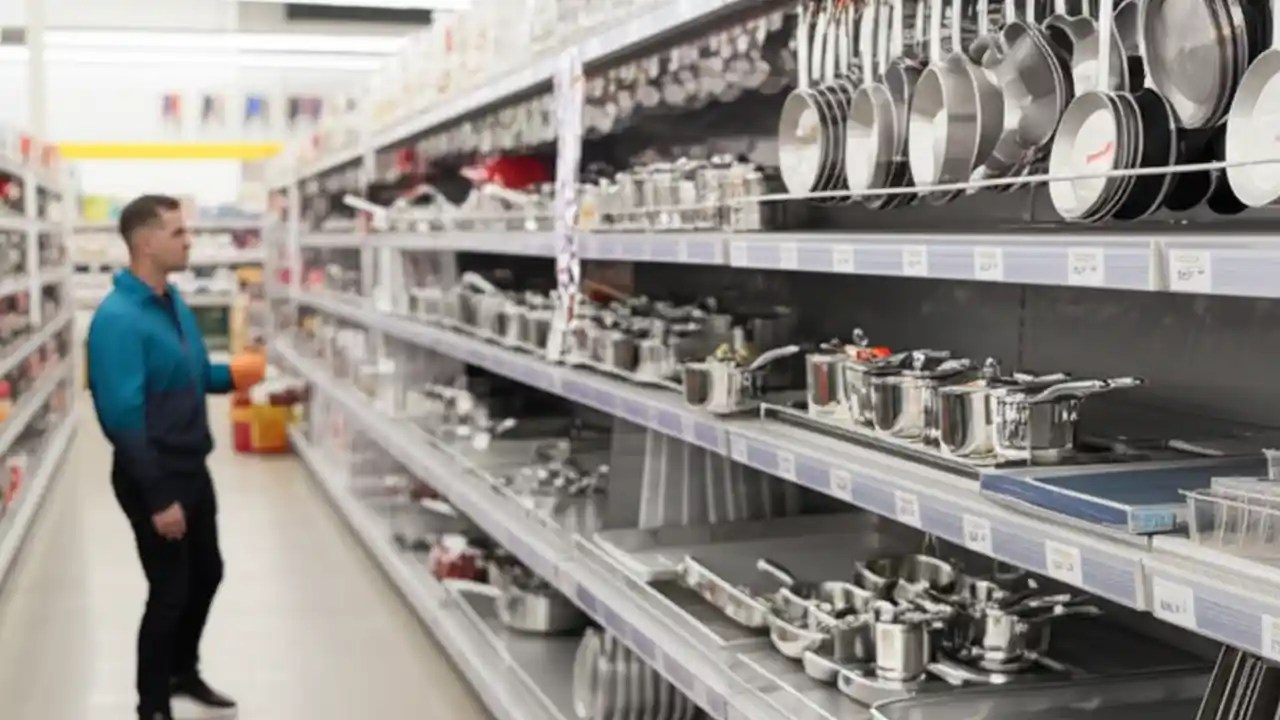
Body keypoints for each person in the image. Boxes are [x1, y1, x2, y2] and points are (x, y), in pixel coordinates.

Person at [86, 195, 265, 720]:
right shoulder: (118, 320)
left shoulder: (173, 302)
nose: (189, 240)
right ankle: (153, 703)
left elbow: (188, 378)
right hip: (154, 474)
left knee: (207, 573)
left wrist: (236, 374)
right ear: (146, 242)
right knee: (169, 592)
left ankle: (183, 670)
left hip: (193, 466)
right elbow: (123, 419)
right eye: (179, 232)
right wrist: (159, 497)